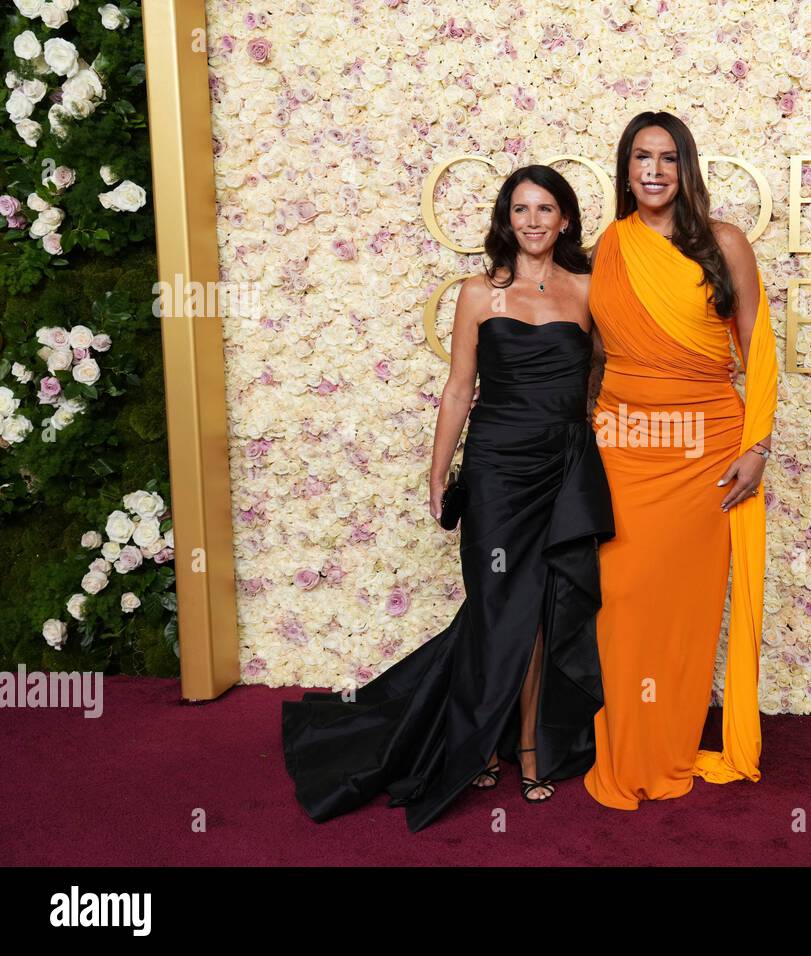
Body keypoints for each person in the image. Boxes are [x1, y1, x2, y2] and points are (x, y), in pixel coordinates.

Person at [282, 165, 614, 831]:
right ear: (505, 219)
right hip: (495, 468)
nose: (532, 220)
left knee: (543, 610)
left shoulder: (587, 290)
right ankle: (472, 737)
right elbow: (461, 387)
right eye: (520, 209)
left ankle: (523, 747)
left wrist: (582, 436)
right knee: (498, 605)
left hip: (561, 465)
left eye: (545, 208)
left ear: (567, 220)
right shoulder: (477, 294)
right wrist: (438, 475)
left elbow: (601, 370)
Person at [583, 111, 778, 810]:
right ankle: (630, 743)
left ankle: (667, 746)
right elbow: (594, 352)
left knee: (686, 608)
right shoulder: (609, 245)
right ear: (625, 168)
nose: (655, 171)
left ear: (686, 167)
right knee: (624, 600)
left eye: (668, 158)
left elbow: (756, 346)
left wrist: (757, 446)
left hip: (707, 455)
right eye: (642, 158)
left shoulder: (724, 243)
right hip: (624, 450)